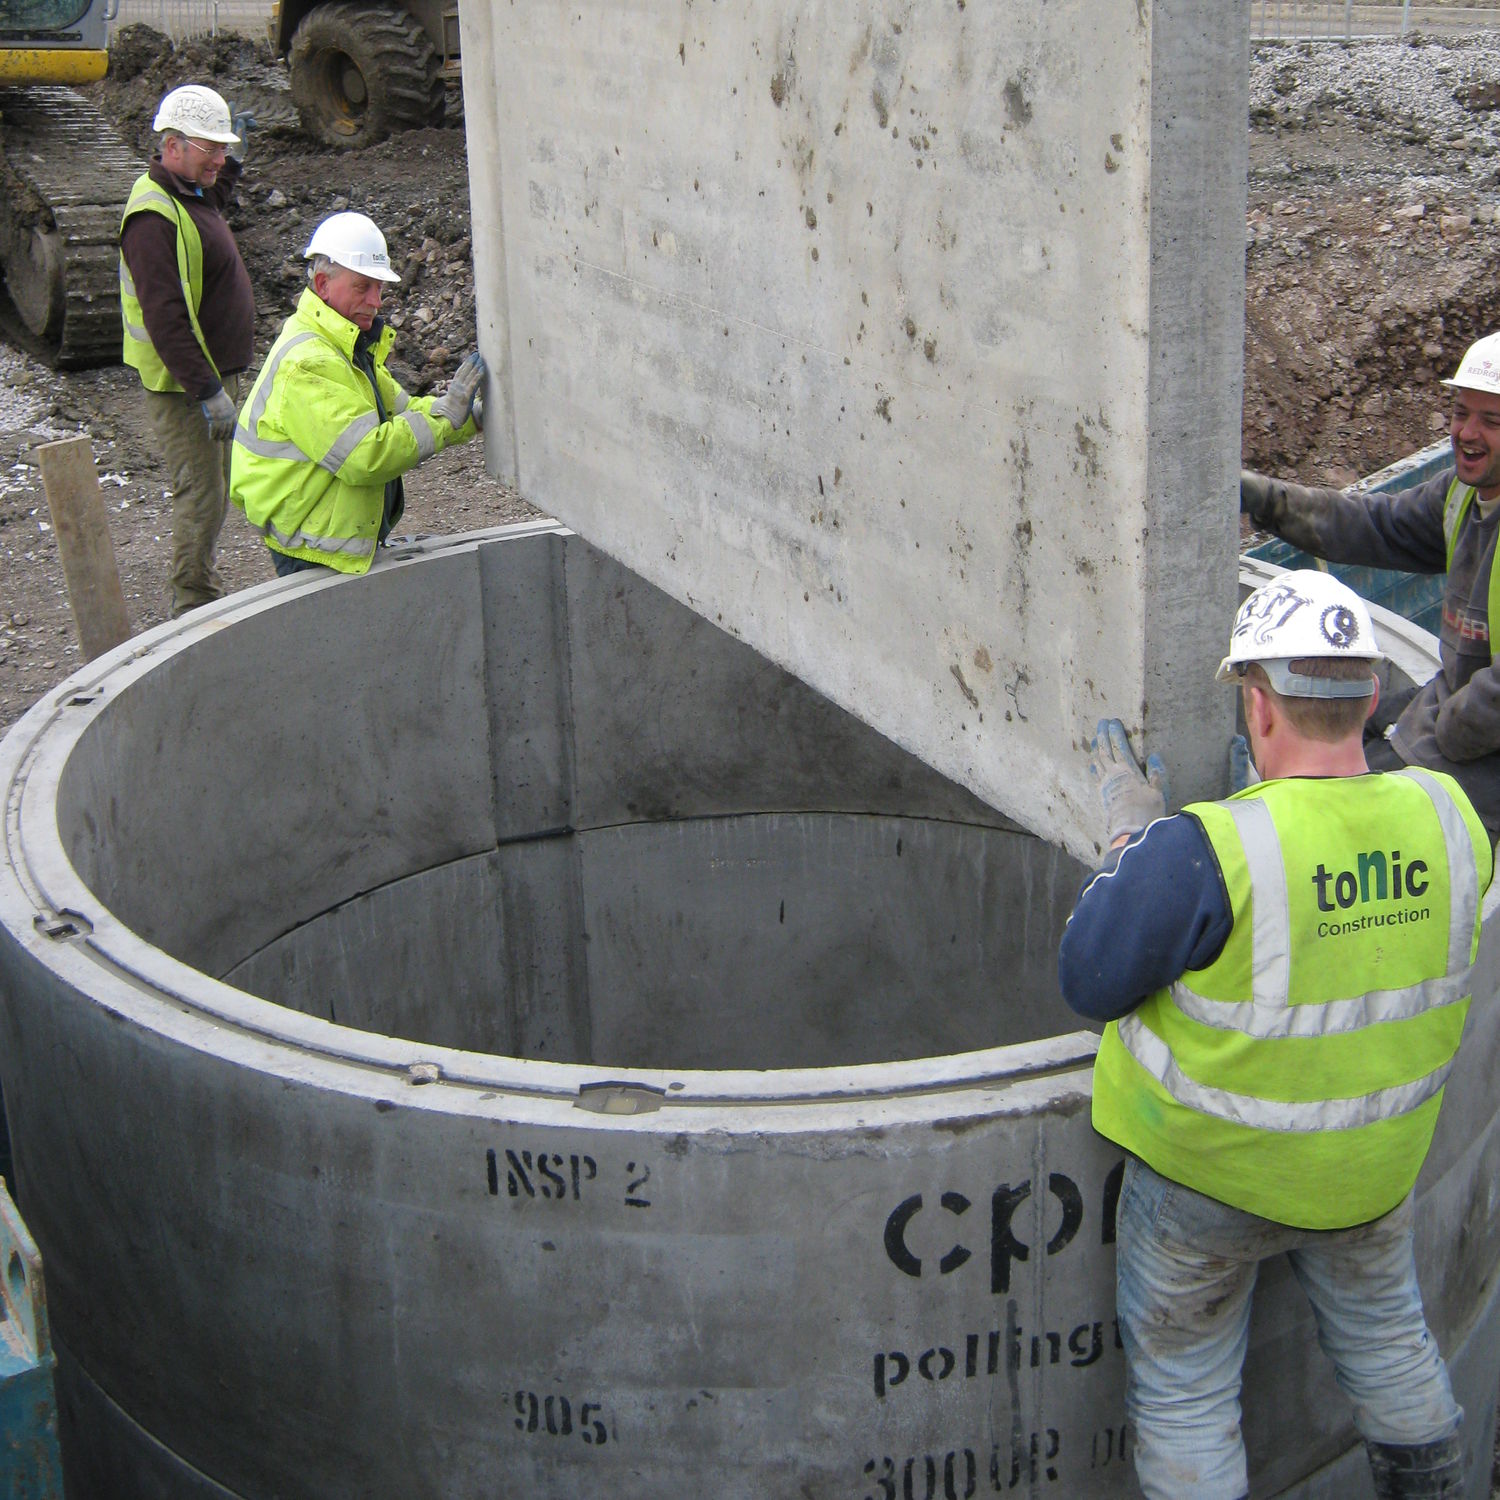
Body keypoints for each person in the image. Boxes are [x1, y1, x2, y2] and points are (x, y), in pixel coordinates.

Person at [1057, 569, 1492, 1500]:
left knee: (1187, 1394)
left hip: (1208, 1186)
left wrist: (1135, 844)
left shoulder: (1207, 851)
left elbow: (1088, 977)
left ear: (1257, 706)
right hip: (1370, 1172)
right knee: (1390, 1342)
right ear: (1372, 695)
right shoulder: (1453, 819)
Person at [1242, 332, 1500, 837]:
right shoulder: (1461, 496)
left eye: (1491, 422)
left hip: (1484, 756)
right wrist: (1268, 499)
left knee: (1345, 824)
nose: (1467, 433)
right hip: (1451, 720)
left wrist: (1440, 731)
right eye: (1461, 412)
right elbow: (1372, 524)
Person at [229, 211, 484, 577]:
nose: (376, 301)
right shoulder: (310, 363)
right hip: (311, 549)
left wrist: (470, 416)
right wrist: (446, 420)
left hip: (326, 536)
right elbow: (364, 456)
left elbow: (406, 411)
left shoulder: (346, 346)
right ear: (322, 285)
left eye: (379, 287)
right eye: (363, 287)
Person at [119, 83, 255, 617]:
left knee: (215, 492)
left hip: (209, 378)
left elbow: (212, 204)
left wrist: (231, 166)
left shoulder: (187, 193)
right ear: (172, 144)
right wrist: (207, 391)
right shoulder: (152, 218)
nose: (221, 157)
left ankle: (199, 587)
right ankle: (192, 602)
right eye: (211, 148)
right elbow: (166, 319)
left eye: (224, 148)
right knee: (201, 496)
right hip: (185, 388)